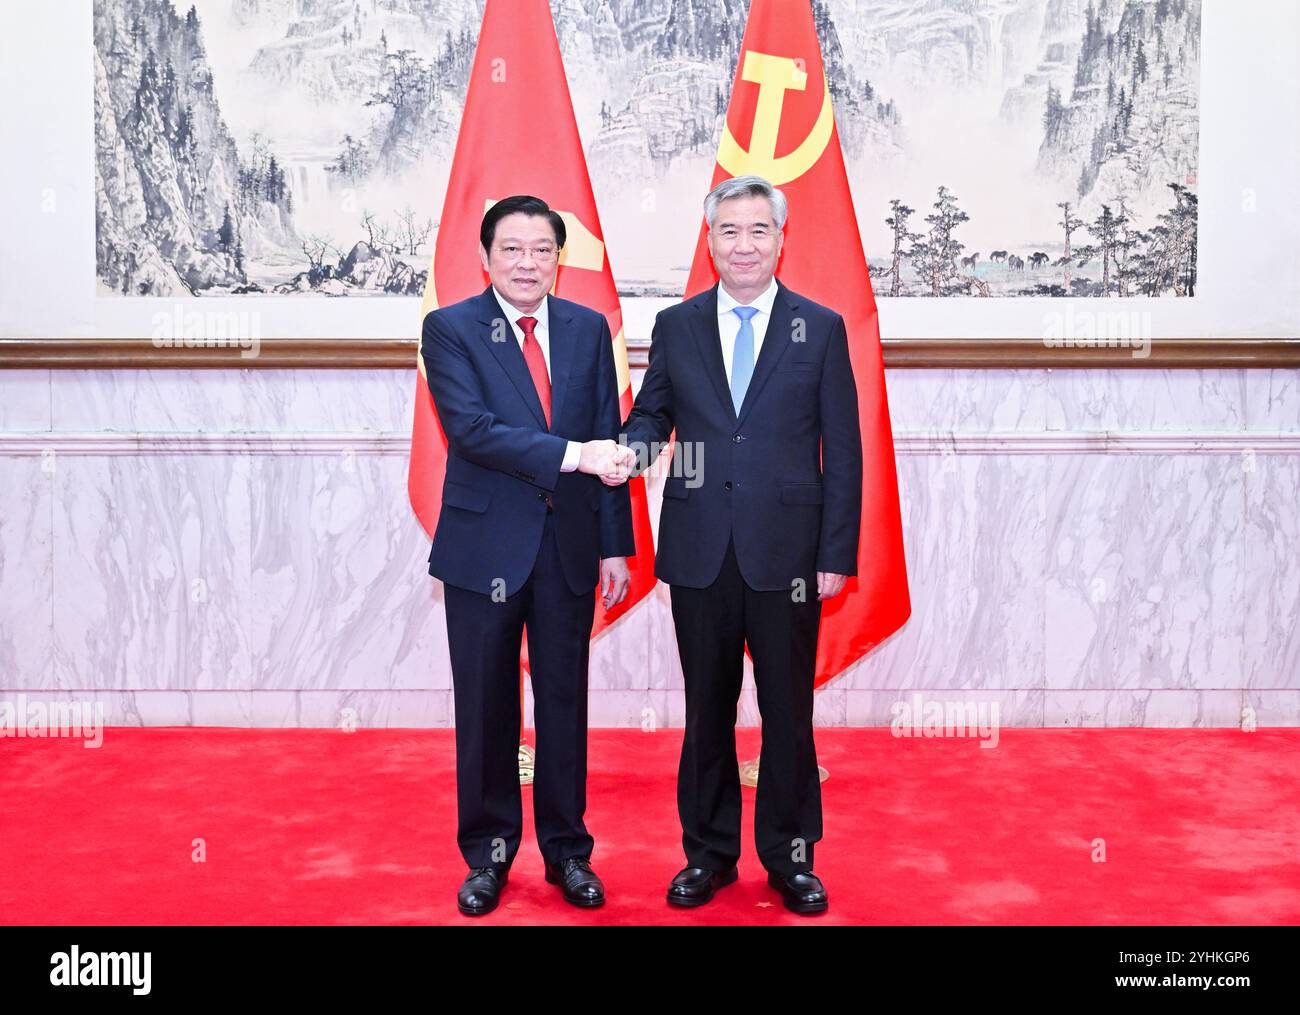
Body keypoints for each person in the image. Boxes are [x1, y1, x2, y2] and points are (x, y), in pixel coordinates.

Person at [618, 175, 862, 914]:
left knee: (788, 711)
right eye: (729, 230)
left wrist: (835, 554)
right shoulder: (677, 325)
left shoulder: (817, 328)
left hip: (789, 555)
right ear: (711, 240)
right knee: (707, 709)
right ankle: (709, 854)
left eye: (758, 230)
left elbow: (843, 451)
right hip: (698, 550)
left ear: (779, 238)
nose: (744, 244)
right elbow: (652, 416)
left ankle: (791, 858)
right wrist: (626, 451)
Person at [420, 195, 634, 916]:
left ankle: (569, 852)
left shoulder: (585, 328)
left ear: (559, 258)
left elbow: (609, 437)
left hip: (568, 549)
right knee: (486, 706)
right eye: (512, 249)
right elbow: (473, 431)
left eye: (542, 249)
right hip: (484, 547)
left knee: (565, 704)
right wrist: (573, 455)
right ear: (485, 257)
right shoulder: (450, 329)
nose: (526, 262)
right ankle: (488, 855)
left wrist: (614, 545)